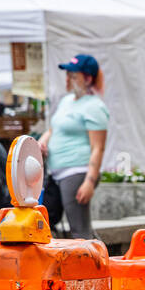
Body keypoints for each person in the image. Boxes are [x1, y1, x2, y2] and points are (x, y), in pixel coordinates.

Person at [38, 54, 108, 240]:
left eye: (73, 76)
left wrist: (89, 182)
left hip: (76, 171)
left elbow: (98, 148)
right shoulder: (66, 101)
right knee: (45, 221)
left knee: (80, 229)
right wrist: (42, 142)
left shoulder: (95, 106)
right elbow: (53, 129)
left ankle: (99, 264)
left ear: (88, 78)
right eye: (67, 75)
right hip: (56, 172)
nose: (67, 79)